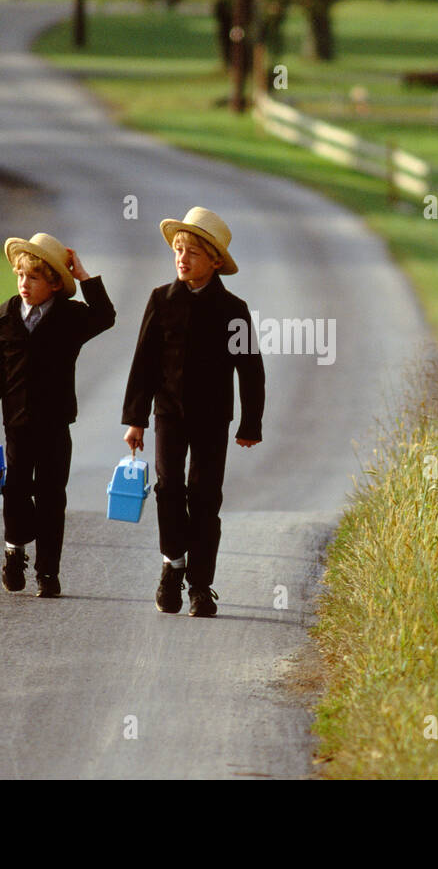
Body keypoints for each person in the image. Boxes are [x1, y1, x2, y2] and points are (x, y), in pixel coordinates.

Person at [122, 207, 265, 617]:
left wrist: (249, 422)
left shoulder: (233, 309)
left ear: (215, 261)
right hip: (168, 414)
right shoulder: (160, 301)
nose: (182, 259)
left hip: (212, 418)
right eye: (178, 251)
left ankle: (200, 586)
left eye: (192, 253)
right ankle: (173, 565)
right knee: (169, 489)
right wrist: (136, 418)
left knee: (205, 497)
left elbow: (251, 369)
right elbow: (143, 364)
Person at [0, 233, 115, 597]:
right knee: (15, 490)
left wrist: (83, 275)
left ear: (53, 283)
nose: (24, 284)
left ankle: (48, 572)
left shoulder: (71, 317)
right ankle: (14, 552)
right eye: (20, 276)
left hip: (55, 423)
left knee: (51, 495)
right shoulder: (5, 316)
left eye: (33, 278)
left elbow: (106, 316)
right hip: (16, 422)